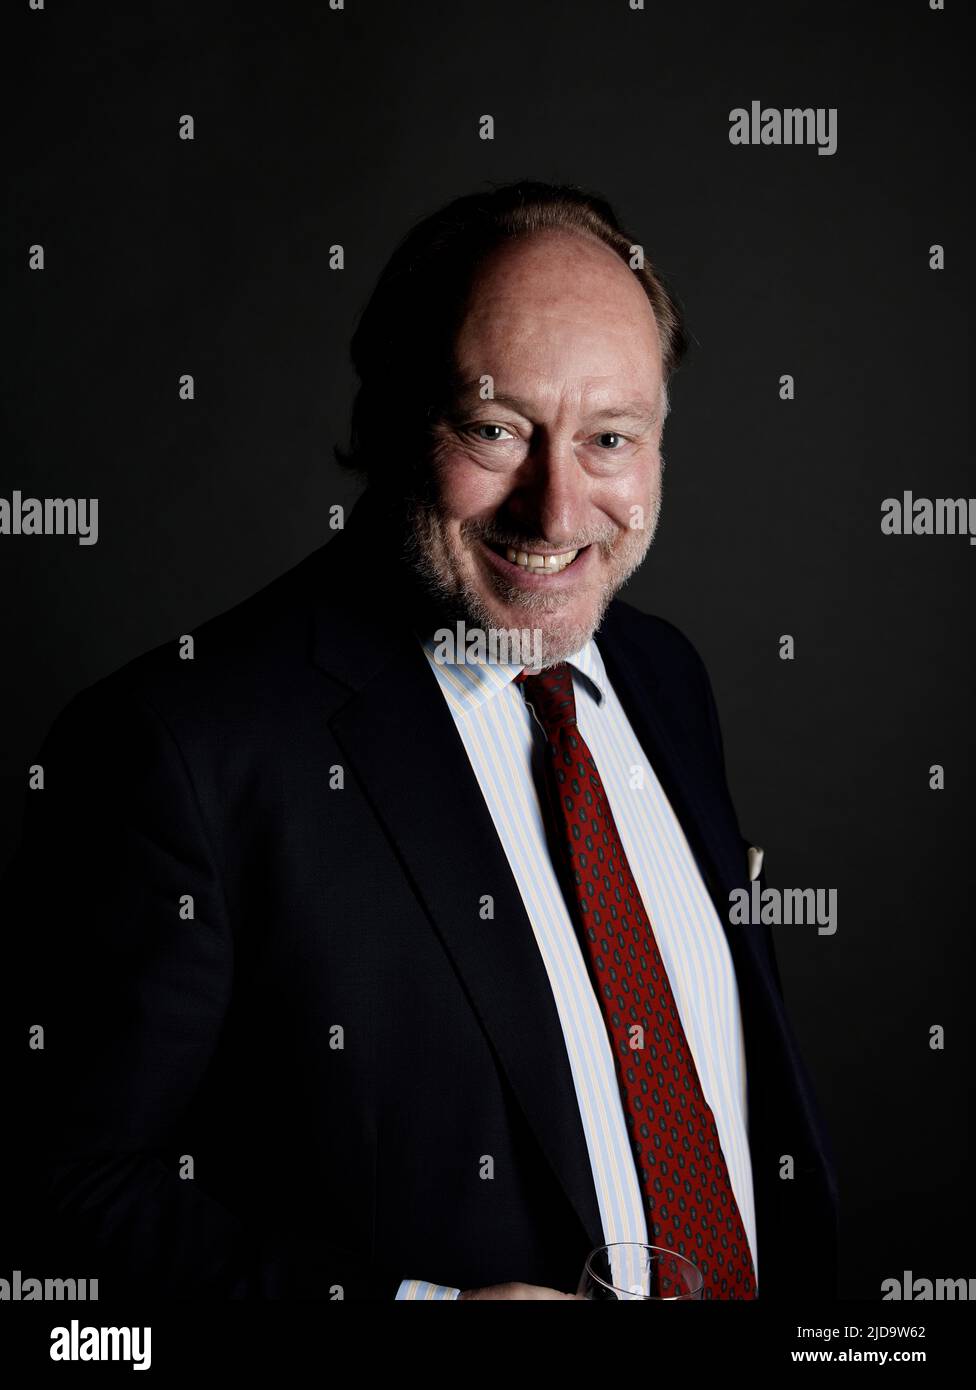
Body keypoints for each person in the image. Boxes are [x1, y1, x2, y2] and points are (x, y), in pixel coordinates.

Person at [2, 180, 838, 1301]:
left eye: (609, 438)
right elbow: (59, 1190)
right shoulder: (176, 748)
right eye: (494, 429)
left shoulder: (663, 676)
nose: (556, 509)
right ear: (391, 417)